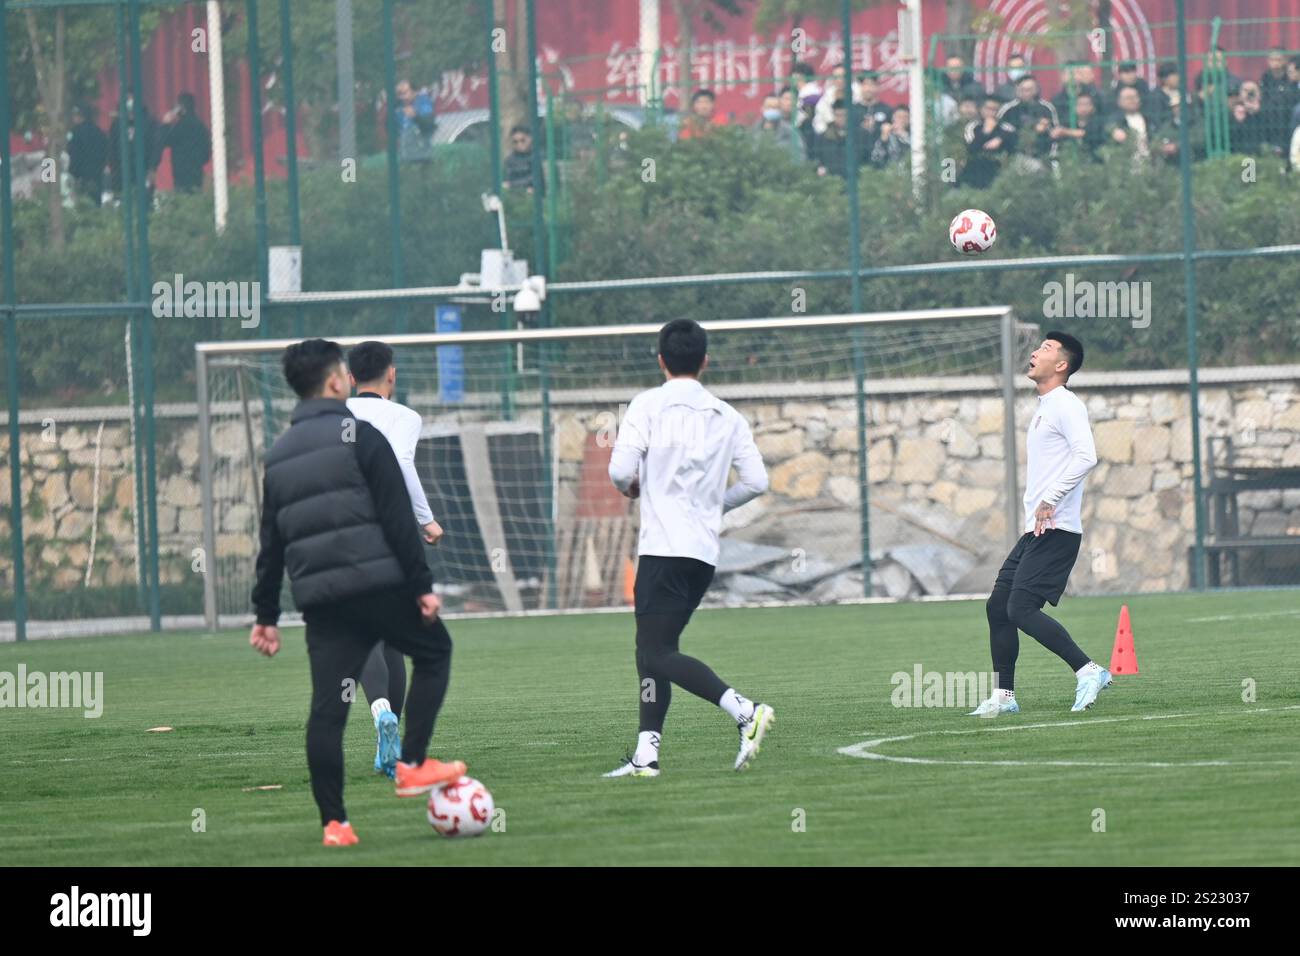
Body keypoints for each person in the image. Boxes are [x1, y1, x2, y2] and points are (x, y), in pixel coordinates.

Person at [249, 339, 466, 847]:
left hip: (320, 597)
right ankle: (412, 764)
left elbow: (271, 539)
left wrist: (265, 615)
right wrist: (422, 587)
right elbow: (395, 515)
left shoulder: (279, 454)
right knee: (435, 651)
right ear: (333, 381)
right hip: (377, 582)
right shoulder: (363, 435)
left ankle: (335, 824)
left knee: (327, 709)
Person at [604, 319, 773, 777]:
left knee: (655, 653)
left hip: (662, 549)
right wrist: (715, 505)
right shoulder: (727, 416)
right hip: (701, 553)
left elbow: (620, 472)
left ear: (661, 360)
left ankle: (745, 711)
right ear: (705, 361)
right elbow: (758, 482)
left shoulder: (647, 406)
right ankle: (647, 755)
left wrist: (635, 486)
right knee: (654, 650)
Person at [969, 332, 1111, 718]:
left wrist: (1051, 499)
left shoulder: (1066, 404)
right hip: (1036, 531)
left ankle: (1088, 670)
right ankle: (1004, 697)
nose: (1034, 352)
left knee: (1020, 608)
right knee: (999, 606)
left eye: (1046, 349)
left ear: (1062, 365)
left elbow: (1087, 456)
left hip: (1058, 529)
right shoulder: (1046, 406)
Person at [345, 340, 445, 779]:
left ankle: (381, 712)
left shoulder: (332, 415)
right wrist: (427, 519)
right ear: (392, 374)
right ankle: (396, 742)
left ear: (349, 378)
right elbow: (402, 463)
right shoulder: (405, 417)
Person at [159, 92, 211, 193]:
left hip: (181, 175)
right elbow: (207, 154)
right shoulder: (200, 126)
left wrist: (165, 124)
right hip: (196, 174)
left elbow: (165, 141)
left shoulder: (180, 126)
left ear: (181, 108)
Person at [66, 104, 108, 206]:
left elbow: (73, 154)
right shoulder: (99, 132)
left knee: (81, 205)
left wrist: (73, 173)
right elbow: (105, 152)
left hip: (80, 176)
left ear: (79, 116)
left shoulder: (75, 132)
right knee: (95, 203)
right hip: (96, 175)